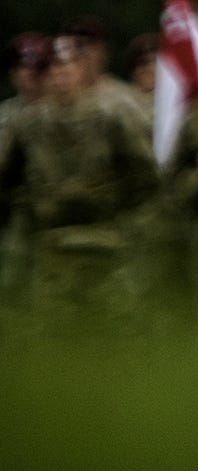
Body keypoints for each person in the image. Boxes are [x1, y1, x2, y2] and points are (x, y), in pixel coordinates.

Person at [1, 26, 158, 324]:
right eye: (51, 68)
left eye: (67, 65)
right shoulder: (28, 126)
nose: (60, 75)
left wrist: (116, 206)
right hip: (52, 249)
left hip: (106, 242)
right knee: (56, 335)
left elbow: (145, 174)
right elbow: (8, 181)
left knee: (115, 331)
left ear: (81, 69)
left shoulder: (111, 116)